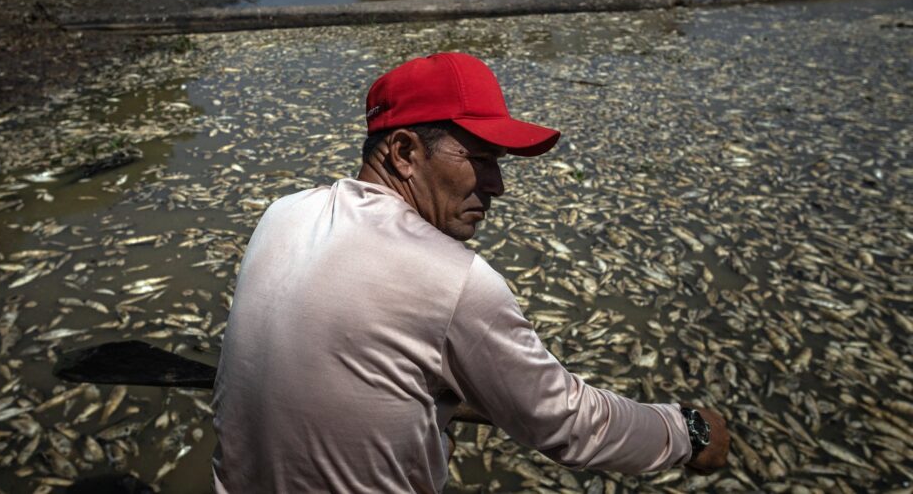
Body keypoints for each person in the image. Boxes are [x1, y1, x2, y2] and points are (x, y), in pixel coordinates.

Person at [212, 52, 729, 493]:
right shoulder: (453, 279)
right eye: (479, 158)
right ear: (404, 152)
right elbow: (567, 422)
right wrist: (687, 432)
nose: (497, 184)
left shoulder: (284, 213)